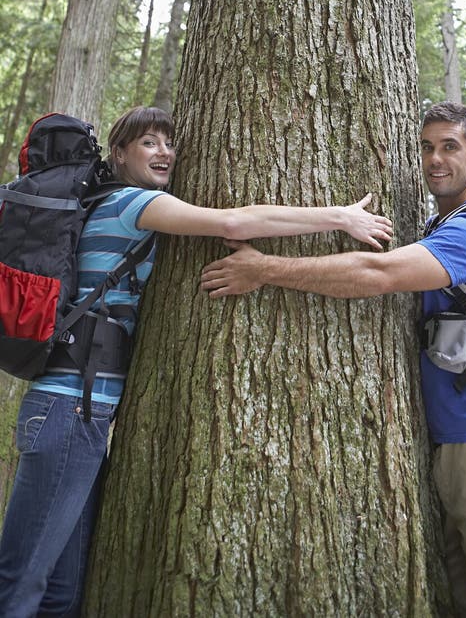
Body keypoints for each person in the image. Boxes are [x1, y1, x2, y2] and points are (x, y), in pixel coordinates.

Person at [201, 101, 466, 618]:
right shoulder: (440, 225)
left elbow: (378, 274)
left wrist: (265, 269)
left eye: (449, 147)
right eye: (426, 146)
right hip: (461, 448)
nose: (435, 159)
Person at [0, 105, 393, 618]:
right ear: (118, 155)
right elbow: (235, 221)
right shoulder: (129, 203)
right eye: (148, 143)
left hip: (81, 417)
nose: (164, 151)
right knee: (22, 582)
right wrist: (338, 216)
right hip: (69, 413)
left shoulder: (101, 206)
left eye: (168, 141)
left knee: (62, 591)